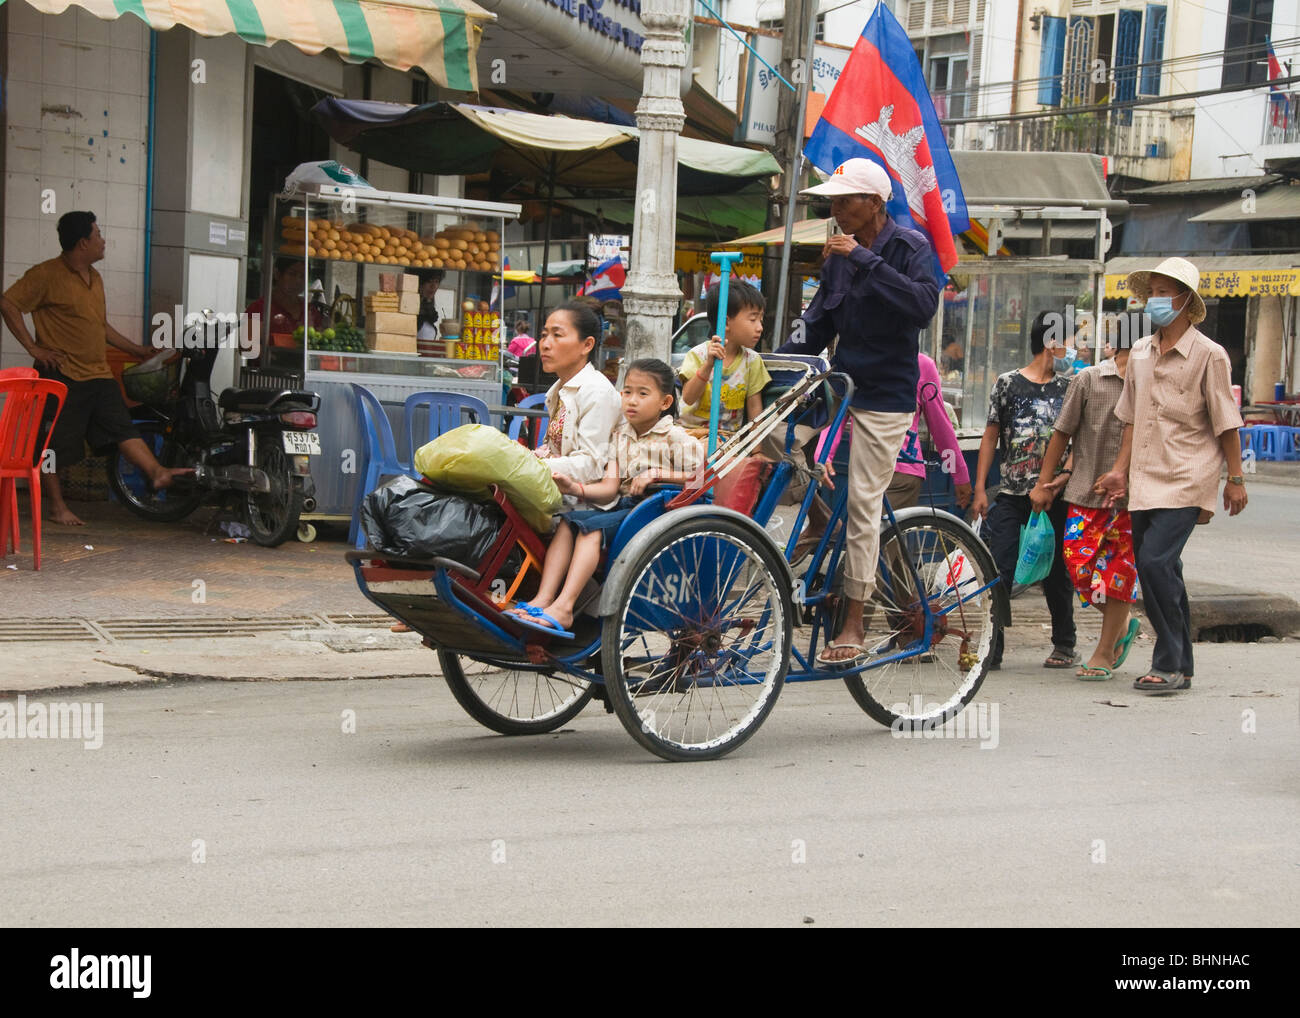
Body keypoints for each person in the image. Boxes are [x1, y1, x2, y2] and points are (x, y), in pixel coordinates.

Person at [776, 158, 939, 666]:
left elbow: (922, 306)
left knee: (865, 503)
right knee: (773, 440)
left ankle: (854, 620)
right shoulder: (837, 258)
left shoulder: (910, 247)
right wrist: (778, 365)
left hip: (886, 394)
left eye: (844, 200)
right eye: (833, 201)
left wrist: (864, 260)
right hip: (839, 384)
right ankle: (820, 520)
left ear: (874, 203)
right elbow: (817, 320)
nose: (835, 209)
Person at [1094, 257, 1247, 695]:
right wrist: (1118, 472)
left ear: (1185, 301)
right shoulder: (1139, 352)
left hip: (1187, 476)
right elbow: (1130, 420)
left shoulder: (1209, 355)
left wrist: (1235, 478)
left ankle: (1166, 660)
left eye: (1165, 293)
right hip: (1144, 478)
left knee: (1156, 562)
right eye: (1153, 292)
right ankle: (1185, 663)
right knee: (1164, 569)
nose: (1156, 301)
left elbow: (1226, 421)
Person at [0, 211, 190, 527]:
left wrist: (137, 350)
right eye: (99, 235)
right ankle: (57, 507)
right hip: (62, 376)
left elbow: (100, 326)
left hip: (98, 373)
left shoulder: (95, 277)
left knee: (122, 427)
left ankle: (157, 473)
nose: (104, 241)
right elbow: (8, 303)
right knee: (51, 446)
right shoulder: (45, 275)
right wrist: (34, 349)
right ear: (83, 242)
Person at [509, 359, 703, 636]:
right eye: (627, 392)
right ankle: (544, 598)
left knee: (591, 531)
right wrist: (575, 488)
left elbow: (701, 478)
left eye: (642, 393)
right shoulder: (619, 437)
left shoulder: (674, 437)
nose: (631, 401)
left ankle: (564, 606)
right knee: (569, 522)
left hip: (657, 511)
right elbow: (610, 487)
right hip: (623, 507)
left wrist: (658, 473)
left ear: (665, 401)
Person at [972, 310, 1077, 670]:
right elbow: (989, 438)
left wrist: (1061, 477)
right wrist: (980, 489)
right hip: (1012, 496)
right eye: (1068, 340)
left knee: (1058, 573)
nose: (1072, 348)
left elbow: (1079, 443)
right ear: (1051, 342)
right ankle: (993, 648)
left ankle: (1064, 643)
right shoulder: (1007, 384)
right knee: (998, 569)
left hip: (1056, 498)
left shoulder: (1069, 387)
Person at [1030, 339, 1140, 680]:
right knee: (1077, 566)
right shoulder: (1089, 379)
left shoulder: (1151, 381)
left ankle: (1105, 651)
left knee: (1118, 576)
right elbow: (1062, 433)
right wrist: (1043, 483)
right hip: (1084, 492)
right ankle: (1121, 623)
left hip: (1133, 498)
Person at [533, 300, 621, 507]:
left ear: (587, 345)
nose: (545, 344)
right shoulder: (559, 390)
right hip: (554, 494)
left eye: (557, 335)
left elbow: (590, 465)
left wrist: (531, 466)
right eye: (544, 335)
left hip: (582, 503)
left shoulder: (597, 392)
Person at [678, 279, 771, 437]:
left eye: (761, 320)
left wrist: (757, 452)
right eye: (753, 319)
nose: (760, 327)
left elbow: (755, 409)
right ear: (726, 322)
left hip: (726, 441)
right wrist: (708, 365)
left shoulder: (752, 361)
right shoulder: (697, 355)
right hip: (690, 434)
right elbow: (688, 398)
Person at [245, 257, 325, 348]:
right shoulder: (258, 308)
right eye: (292, 274)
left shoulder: (310, 311)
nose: (298, 281)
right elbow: (246, 347)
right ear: (277, 274)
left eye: (303, 276)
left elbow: (320, 344)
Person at [414, 269, 446, 341]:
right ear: (420, 284)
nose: (433, 286)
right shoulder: (415, 311)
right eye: (429, 281)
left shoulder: (429, 311)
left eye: (436, 282)